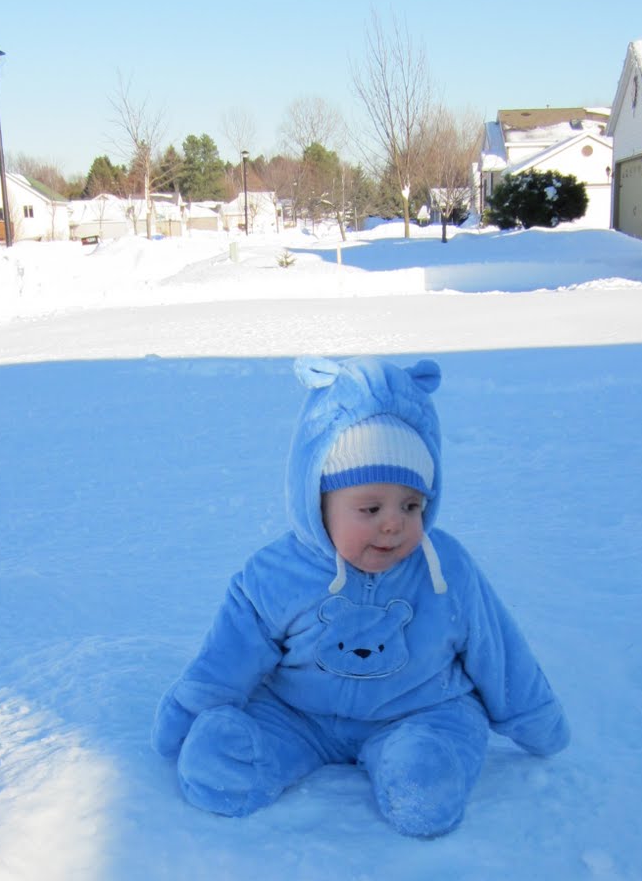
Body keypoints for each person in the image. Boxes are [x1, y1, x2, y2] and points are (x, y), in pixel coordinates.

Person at [153, 355, 568, 838]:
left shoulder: (446, 568)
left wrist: (535, 719)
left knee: (429, 769)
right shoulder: (277, 573)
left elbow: (498, 651)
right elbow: (227, 656)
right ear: (318, 503)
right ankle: (238, 761)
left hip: (420, 710)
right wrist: (188, 714)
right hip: (299, 714)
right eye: (370, 507)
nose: (393, 523)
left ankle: (422, 771)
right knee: (224, 761)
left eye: (411, 505)